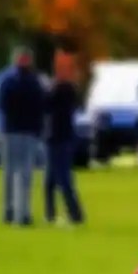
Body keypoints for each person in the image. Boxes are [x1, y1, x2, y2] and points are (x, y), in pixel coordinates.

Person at [0, 46, 47, 226]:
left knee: (22, 173)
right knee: (13, 173)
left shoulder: (29, 80)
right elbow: (3, 105)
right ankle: (12, 211)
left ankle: (20, 212)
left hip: (24, 131)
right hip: (15, 131)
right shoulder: (20, 80)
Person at [42, 52, 85, 225]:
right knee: (51, 180)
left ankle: (74, 214)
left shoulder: (63, 89)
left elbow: (47, 104)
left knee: (62, 178)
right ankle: (50, 214)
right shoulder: (68, 89)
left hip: (59, 137)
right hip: (58, 136)